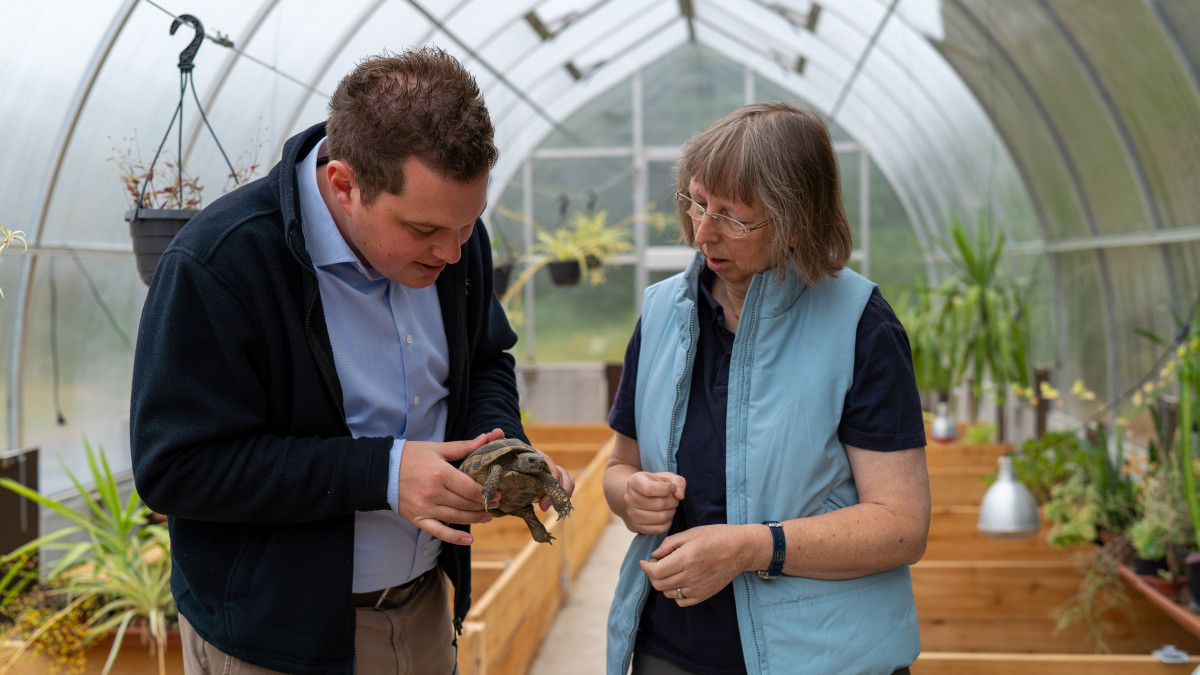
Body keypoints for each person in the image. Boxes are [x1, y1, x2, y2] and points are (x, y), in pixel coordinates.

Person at [130, 47, 573, 675]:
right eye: (423, 231)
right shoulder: (220, 265)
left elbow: (486, 357)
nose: (452, 251)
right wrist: (384, 473)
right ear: (344, 183)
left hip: (423, 613)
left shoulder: (449, 233)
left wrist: (498, 448)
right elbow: (177, 468)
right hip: (277, 641)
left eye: (469, 223)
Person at [603, 102, 930, 675]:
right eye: (698, 203)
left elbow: (901, 527)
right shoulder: (662, 313)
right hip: (670, 649)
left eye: (734, 216)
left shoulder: (861, 326)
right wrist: (629, 495)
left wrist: (752, 547)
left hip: (822, 656)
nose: (704, 232)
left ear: (797, 219)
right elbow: (620, 466)